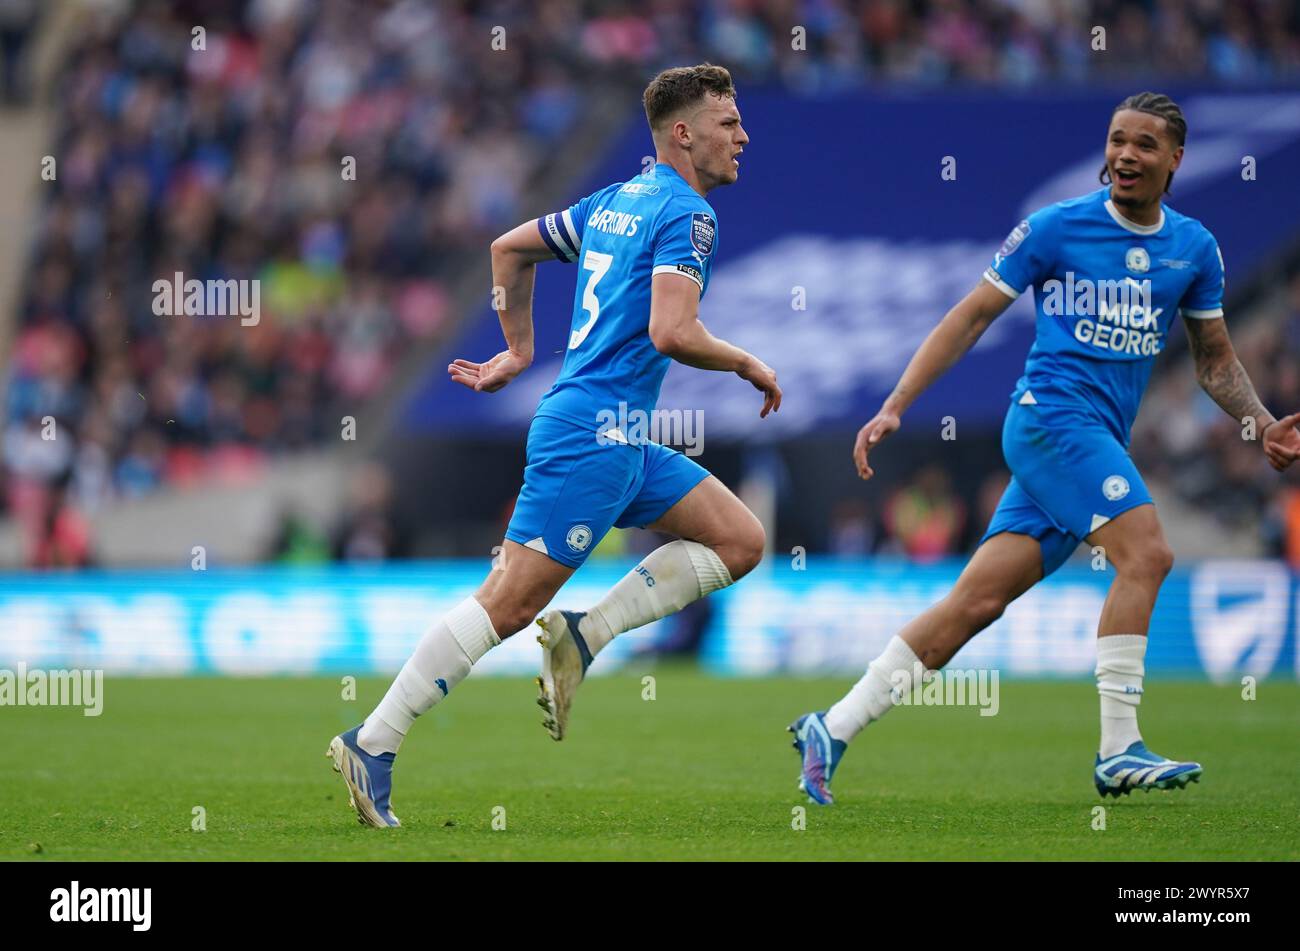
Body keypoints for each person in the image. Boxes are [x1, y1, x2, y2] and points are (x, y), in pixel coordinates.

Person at [790, 92, 1300, 805]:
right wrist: (896, 404)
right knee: (1148, 554)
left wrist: (1261, 418)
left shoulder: (1194, 249)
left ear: (1176, 159)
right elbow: (970, 317)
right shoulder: (1055, 228)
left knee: (976, 603)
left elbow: (1213, 359)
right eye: (1118, 140)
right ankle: (1119, 746)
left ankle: (832, 724)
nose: (1125, 154)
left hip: (1089, 442)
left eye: (1145, 145)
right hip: (1051, 422)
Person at [326, 63, 780, 827]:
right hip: (592, 435)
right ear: (683, 133)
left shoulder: (615, 200)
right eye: (728, 123)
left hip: (620, 436)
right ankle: (373, 739)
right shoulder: (689, 215)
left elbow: (509, 249)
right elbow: (673, 330)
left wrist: (517, 348)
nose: (742, 135)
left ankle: (586, 629)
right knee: (506, 602)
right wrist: (745, 360)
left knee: (740, 539)